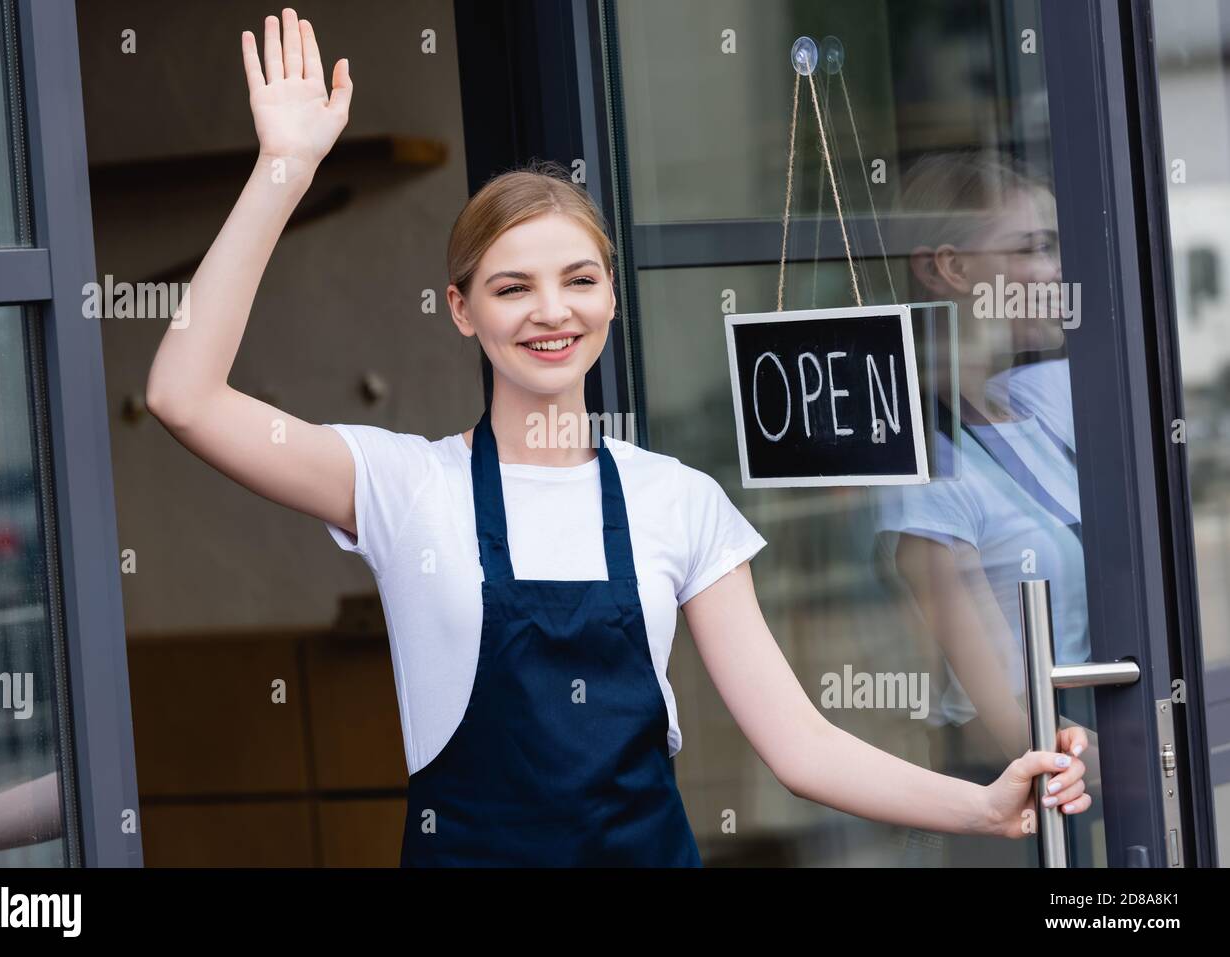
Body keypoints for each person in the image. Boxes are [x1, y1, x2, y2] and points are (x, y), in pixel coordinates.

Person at [139, 9, 1091, 867]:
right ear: (461, 311)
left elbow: (801, 747)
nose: (550, 312)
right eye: (512, 287)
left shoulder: (677, 500)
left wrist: (984, 807)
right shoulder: (402, 484)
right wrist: (283, 172)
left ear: (610, 296)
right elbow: (184, 397)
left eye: (578, 279)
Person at [874, 151, 1099, 866]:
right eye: (1033, 247)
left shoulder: (1034, 400)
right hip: (1021, 799)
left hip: (1081, 759)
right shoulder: (928, 466)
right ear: (949, 268)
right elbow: (994, 715)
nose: (1058, 269)